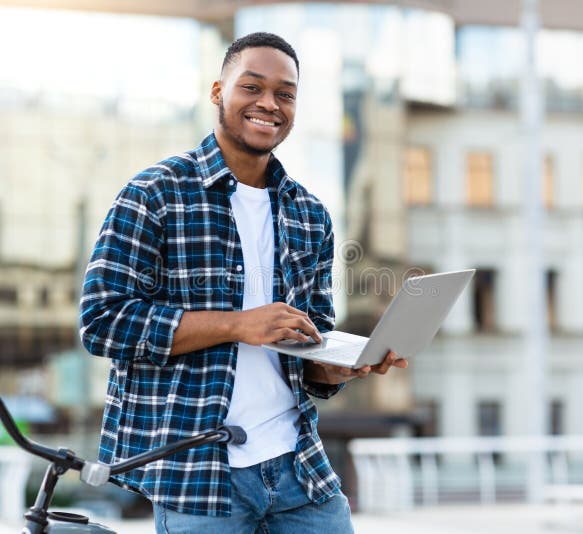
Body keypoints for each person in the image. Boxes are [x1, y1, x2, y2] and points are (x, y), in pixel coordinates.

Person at [80, 31, 407, 533]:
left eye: (285, 93)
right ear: (218, 92)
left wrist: (344, 366)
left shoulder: (309, 214)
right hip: (200, 476)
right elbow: (103, 324)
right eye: (251, 87)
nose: (268, 104)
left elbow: (306, 354)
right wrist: (238, 325)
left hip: (299, 470)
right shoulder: (155, 194)